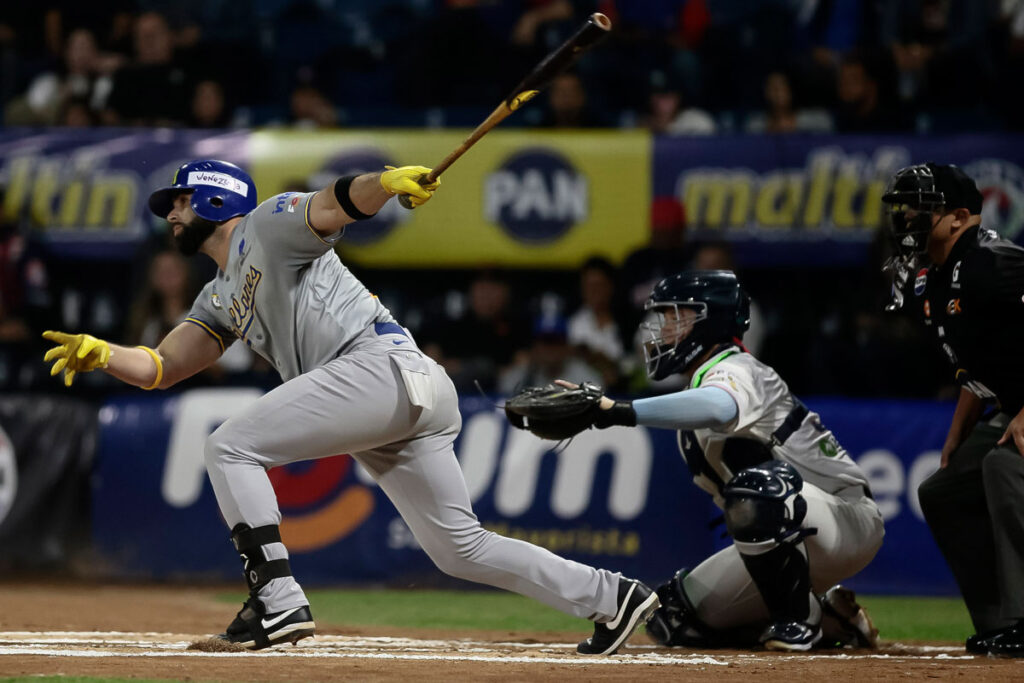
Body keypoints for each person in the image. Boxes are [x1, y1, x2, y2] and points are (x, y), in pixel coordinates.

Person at [41, 159, 658, 655]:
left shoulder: (264, 223)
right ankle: (612, 596)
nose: (171, 213)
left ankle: (278, 597)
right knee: (458, 549)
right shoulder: (218, 293)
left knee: (229, 445)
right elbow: (161, 367)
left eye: (179, 199)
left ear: (216, 199)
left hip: (377, 367)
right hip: (398, 391)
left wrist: (385, 182)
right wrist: (103, 353)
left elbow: (337, 202)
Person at [537, 270, 884, 651]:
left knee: (757, 492)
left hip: (843, 521)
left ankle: (799, 621)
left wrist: (614, 410)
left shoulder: (738, 369)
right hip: (796, 529)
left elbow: (720, 407)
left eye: (675, 317)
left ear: (709, 320)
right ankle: (835, 620)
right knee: (672, 619)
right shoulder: (701, 380)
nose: (663, 329)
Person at [881, 162, 1024, 657]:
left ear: (960, 216)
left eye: (921, 209)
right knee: (944, 490)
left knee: (1005, 465)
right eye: (902, 209)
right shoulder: (935, 276)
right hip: (1006, 405)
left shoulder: (992, 261)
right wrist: (957, 430)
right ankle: (1001, 623)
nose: (907, 219)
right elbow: (978, 359)